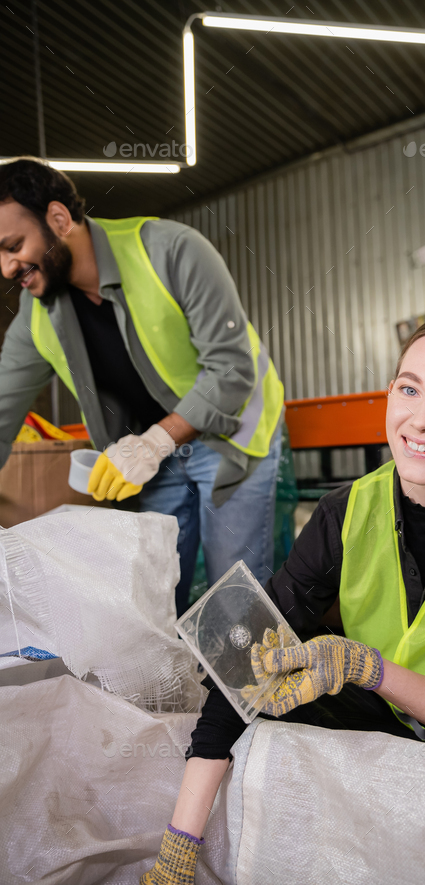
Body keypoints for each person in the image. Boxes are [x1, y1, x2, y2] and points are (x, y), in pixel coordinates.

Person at [142, 312, 425, 885]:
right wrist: (180, 847)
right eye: (409, 389)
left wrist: (363, 667)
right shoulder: (345, 511)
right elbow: (243, 662)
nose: (420, 421)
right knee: (270, 735)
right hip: (404, 726)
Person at [0, 158, 284, 614]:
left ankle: (250, 685)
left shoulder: (171, 250)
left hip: (232, 432)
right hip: (152, 459)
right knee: (154, 601)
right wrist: (151, 449)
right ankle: (177, 688)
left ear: (58, 218)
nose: (7, 266)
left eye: (13, 245)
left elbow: (231, 370)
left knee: (234, 597)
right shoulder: (37, 322)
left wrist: (155, 442)